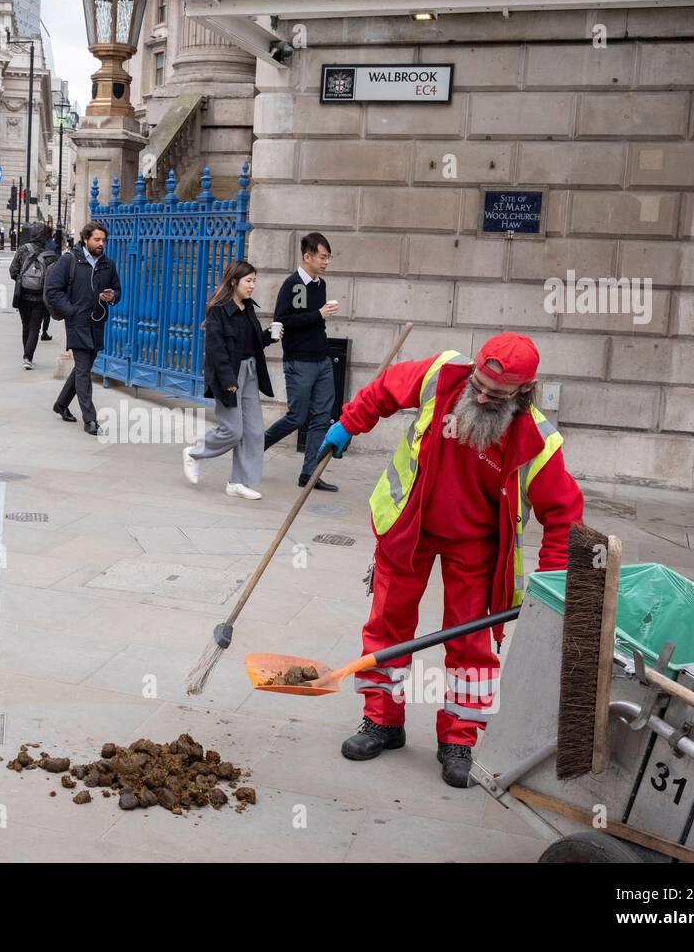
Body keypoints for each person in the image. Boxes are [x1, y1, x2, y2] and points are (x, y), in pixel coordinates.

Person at [319, 334, 584, 788]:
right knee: (387, 625)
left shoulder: (538, 440)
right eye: (478, 384)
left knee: (472, 645)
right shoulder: (442, 375)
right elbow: (384, 390)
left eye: (494, 394)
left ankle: (458, 739)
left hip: (477, 547)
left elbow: (563, 516)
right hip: (410, 526)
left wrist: (551, 583)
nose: (480, 397)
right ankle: (381, 721)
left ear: (522, 391)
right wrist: (349, 422)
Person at [182, 260, 282, 500]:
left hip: (249, 372)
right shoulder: (219, 309)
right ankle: (194, 452)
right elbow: (216, 349)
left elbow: (252, 340)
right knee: (233, 430)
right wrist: (228, 380)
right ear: (234, 281)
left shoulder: (247, 308)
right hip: (228, 374)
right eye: (249, 281)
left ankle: (238, 482)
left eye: (254, 281)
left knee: (255, 431)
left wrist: (268, 336)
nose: (252, 286)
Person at [262, 232, 341, 492]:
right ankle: (256, 446)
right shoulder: (292, 285)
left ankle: (309, 473)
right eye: (322, 256)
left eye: (328, 257)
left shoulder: (321, 285)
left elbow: (314, 322)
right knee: (297, 417)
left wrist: (320, 320)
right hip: (299, 361)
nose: (326, 261)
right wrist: (317, 314)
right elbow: (283, 321)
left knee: (322, 417)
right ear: (307, 256)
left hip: (322, 359)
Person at [44, 220, 121, 436]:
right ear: (86, 239)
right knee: (84, 370)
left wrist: (113, 296)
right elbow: (52, 290)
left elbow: (117, 289)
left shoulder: (108, 264)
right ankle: (91, 420)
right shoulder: (70, 260)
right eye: (97, 239)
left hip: (97, 323)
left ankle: (61, 404)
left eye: (103, 240)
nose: (101, 243)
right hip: (77, 323)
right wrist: (71, 311)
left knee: (82, 369)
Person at [8, 222, 58, 369]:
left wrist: (22, 280)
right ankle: (28, 357)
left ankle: (26, 355)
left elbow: (12, 270)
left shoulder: (23, 250)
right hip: (40, 298)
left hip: (23, 295)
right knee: (35, 327)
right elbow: (54, 278)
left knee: (26, 325)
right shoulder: (50, 254)